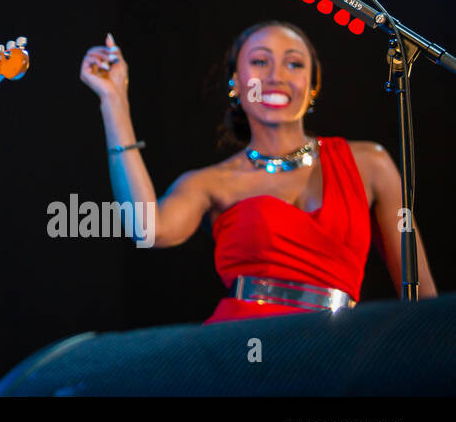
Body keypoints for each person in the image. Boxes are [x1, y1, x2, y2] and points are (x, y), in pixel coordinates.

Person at [79, 22, 437, 322]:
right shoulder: (210, 183)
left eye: (294, 64)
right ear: (235, 81)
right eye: (260, 61)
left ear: (313, 85)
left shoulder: (369, 163)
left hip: (338, 354)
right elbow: (147, 228)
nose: (277, 76)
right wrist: (114, 101)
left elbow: (422, 296)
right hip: (240, 352)